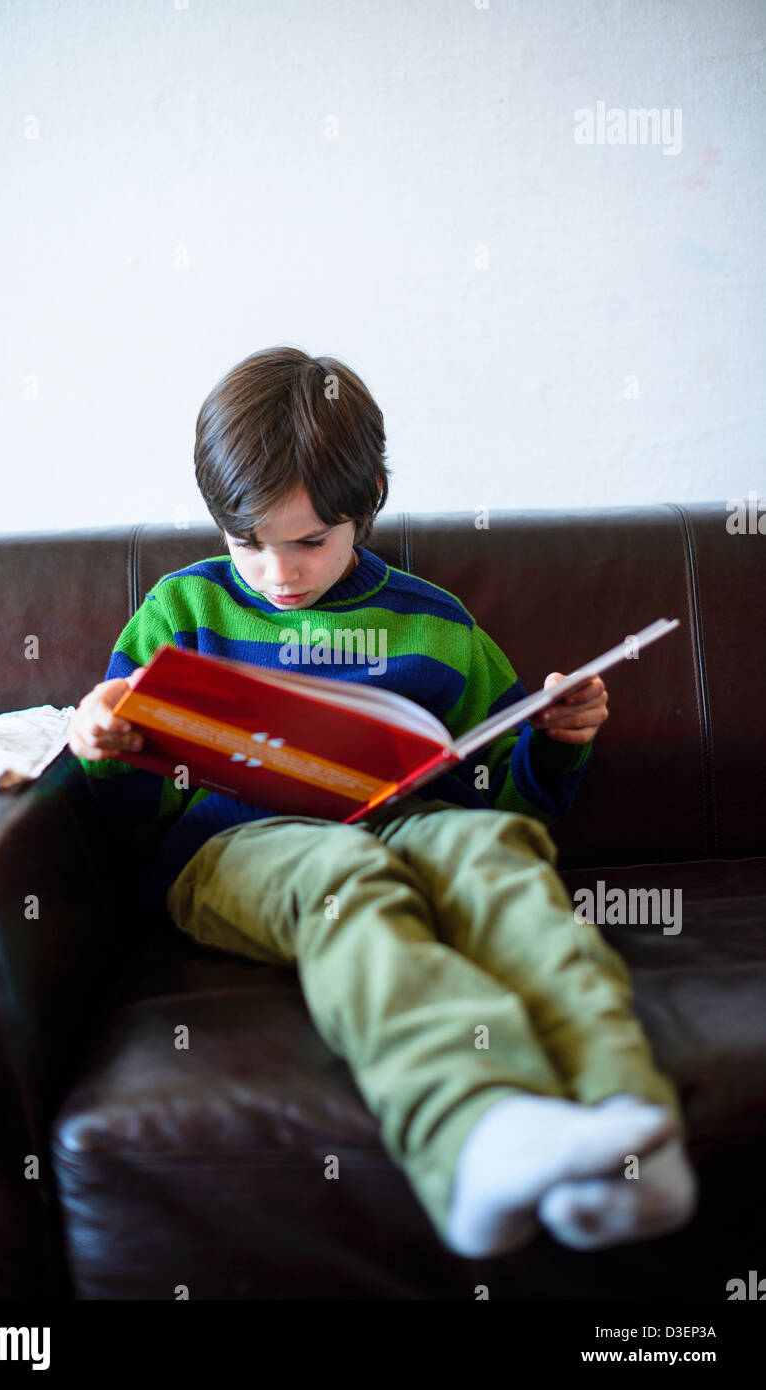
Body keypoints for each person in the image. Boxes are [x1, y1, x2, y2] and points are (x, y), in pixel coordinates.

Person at [68, 346, 697, 1259]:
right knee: (342, 870)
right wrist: (104, 748)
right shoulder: (183, 613)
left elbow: (509, 810)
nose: (277, 573)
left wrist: (553, 743)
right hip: (239, 849)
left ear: (364, 507)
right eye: (249, 542)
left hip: (420, 825)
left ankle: (627, 1124)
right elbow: (128, 819)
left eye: (309, 541)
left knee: (498, 866)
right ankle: (475, 1129)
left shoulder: (436, 623)